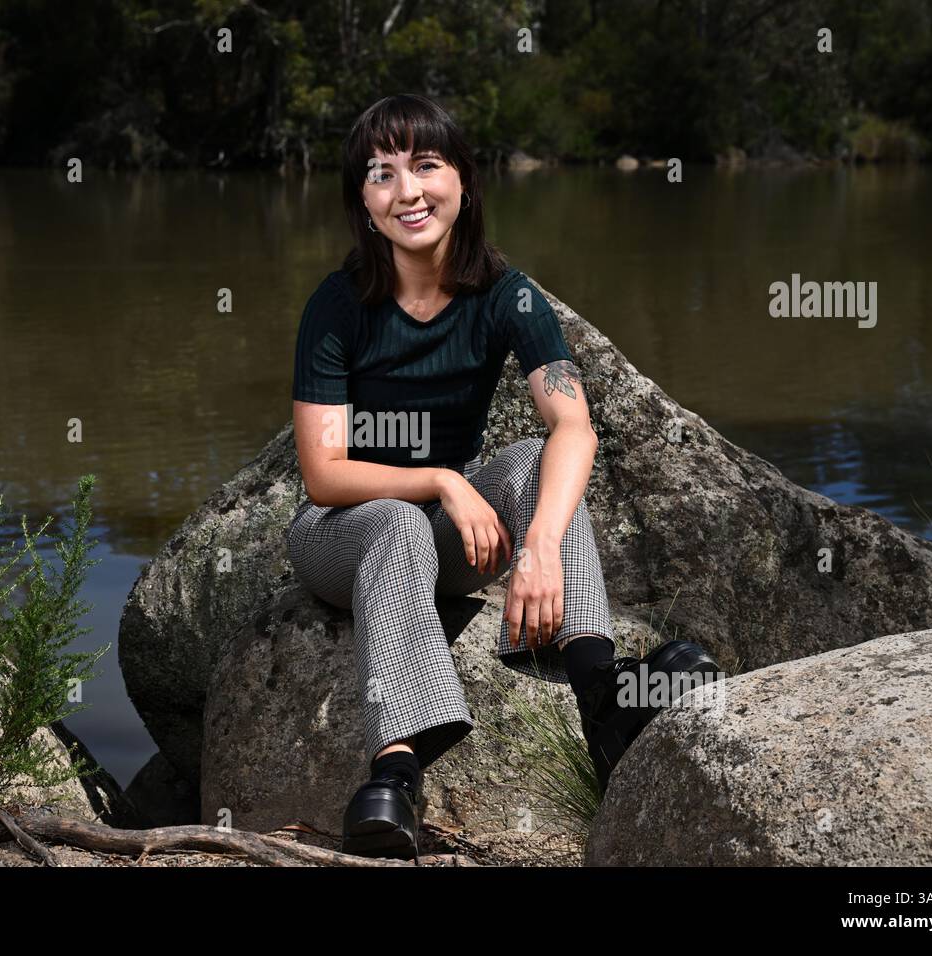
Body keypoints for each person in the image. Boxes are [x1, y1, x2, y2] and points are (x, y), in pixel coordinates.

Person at [285, 93, 715, 859]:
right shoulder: (337, 305)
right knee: (394, 517)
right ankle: (395, 774)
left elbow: (573, 427)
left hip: (443, 543)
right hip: (342, 535)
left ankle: (604, 702)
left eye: (426, 166)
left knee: (529, 462)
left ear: (463, 181)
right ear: (363, 200)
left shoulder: (506, 295)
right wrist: (443, 483)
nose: (407, 191)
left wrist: (541, 542)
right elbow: (322, 474)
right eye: (382, 175)